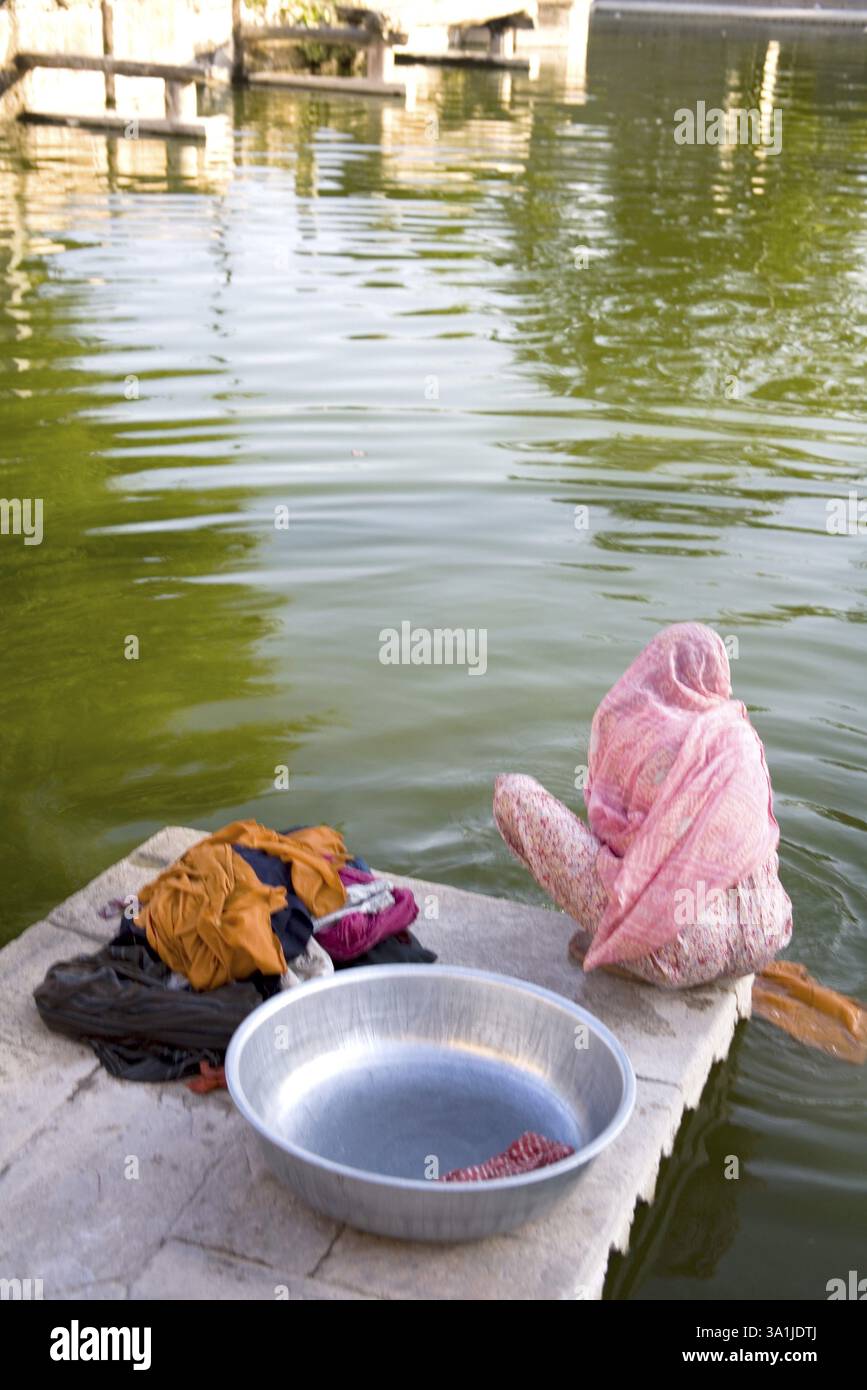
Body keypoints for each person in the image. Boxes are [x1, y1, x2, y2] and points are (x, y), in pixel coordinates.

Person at [493, 623, 792, 988]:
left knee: (514, 793)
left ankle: (628, 947)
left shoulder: (645, 728)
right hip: (765, 935)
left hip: (682, 952)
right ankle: (691, 947)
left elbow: (616, 840)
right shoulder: (739, 737)